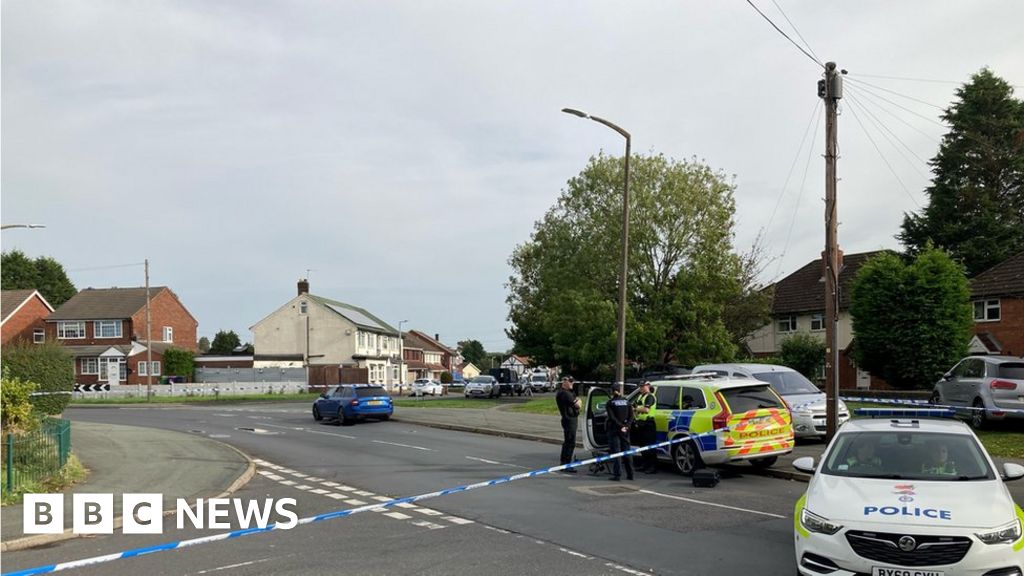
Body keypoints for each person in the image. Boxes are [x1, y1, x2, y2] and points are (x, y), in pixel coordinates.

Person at [606, 386, 635, 481]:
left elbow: (612, 418)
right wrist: (626, 426)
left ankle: (617, 475)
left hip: (615, 430)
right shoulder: (627, 402)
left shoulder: (610, 403)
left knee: (616, 453)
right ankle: (630, 474)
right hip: (626, 430)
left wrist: (620, 426)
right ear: (620, 391)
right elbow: (631, 416)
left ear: (612, 392)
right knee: (627, 452)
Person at [555, 376, 582, 473]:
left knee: (568, 442)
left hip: (568, 419)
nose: (572, 383)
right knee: (570, 442)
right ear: (564, 382)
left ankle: (564, 463)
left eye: (572, 381)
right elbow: (578, 404)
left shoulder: (566, 393)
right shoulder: (565, 393)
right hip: (569, 419)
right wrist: (579, 401)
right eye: (570, 381)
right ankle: (566, 464)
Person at [631, 381, 658, 473]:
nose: (641, 388)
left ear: (648, 386)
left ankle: (652, 467)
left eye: (643, 386)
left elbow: (646, 409)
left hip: (648, 423)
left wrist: (635, 409)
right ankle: (645, 465)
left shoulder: (650, 396)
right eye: (640, 386)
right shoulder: (640, 396)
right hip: (641, 423)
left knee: (649, 446)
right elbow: (634, 405)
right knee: (642, 446)